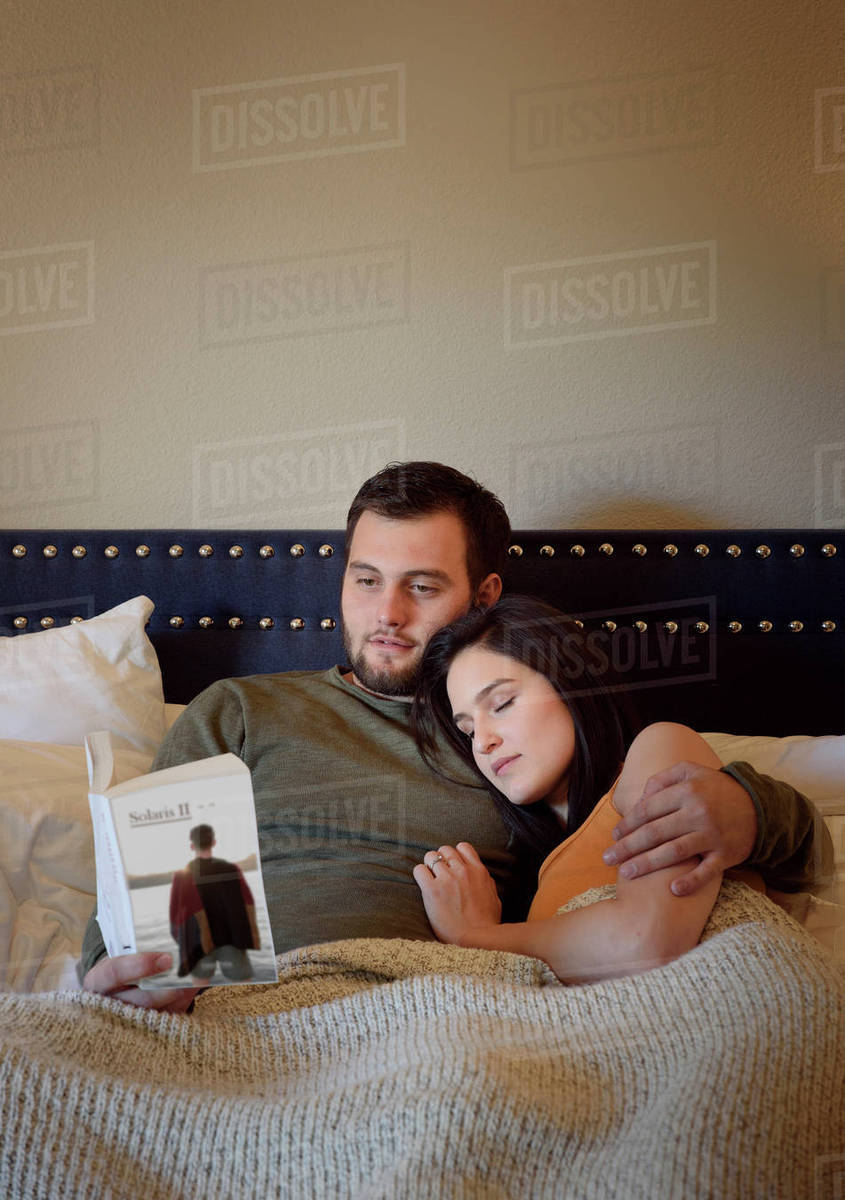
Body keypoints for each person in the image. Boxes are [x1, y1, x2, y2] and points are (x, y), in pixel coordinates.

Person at [80, 462, 832, 1011]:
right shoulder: (239, 709)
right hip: (237, 1013)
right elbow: (137, 920)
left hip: (438, 1015)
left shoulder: (520, 742)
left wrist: (752, 809)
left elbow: (649, 819)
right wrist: (128, 980)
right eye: (366, 579)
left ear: (484, 595)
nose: (387, 614)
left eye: (422, 585)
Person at [410, 595, 772, 984]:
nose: (483, 742)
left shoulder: (662, 749)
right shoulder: (531, 872)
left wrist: (473, 936)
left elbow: (645, 944)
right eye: (468, 730)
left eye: (502, 704)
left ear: (571, 685)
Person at [168, 824, 259, 983]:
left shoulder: (182, 875)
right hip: (231, 940)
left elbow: (175, 914)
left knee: (200, 988)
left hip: (197, 943)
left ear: (192, 846)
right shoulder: (232, 869)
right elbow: (248, 902)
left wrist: (182, 941)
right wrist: (248, 936)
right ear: (214, 843)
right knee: (244, 986)